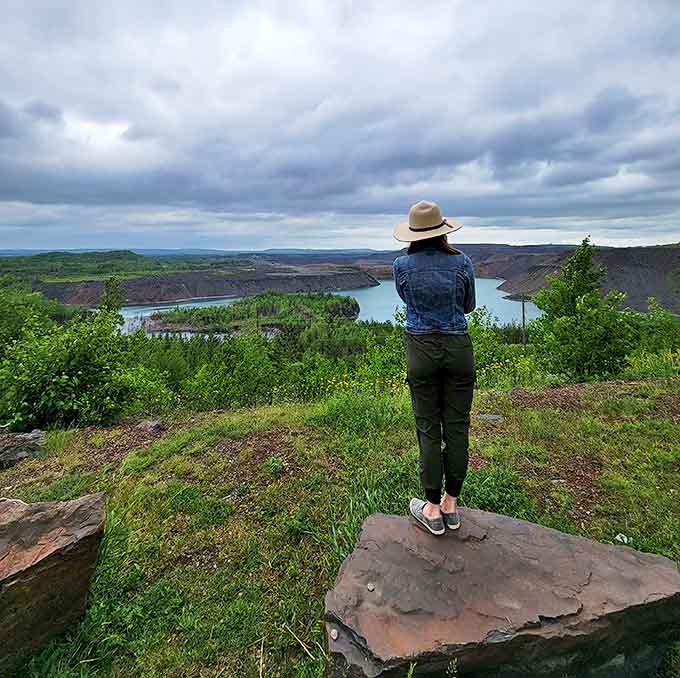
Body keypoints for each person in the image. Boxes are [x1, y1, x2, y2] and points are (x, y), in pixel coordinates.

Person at [393, 200, 476, 536]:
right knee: (457, 427)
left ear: (413, 233)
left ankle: (430, 509)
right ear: (443, 230)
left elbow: (407, 300)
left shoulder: (401, 264)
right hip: (458, 348)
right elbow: (468, 305)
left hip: (421, 349)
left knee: (428, 428)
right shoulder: (462, 262)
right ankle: (451, 505)